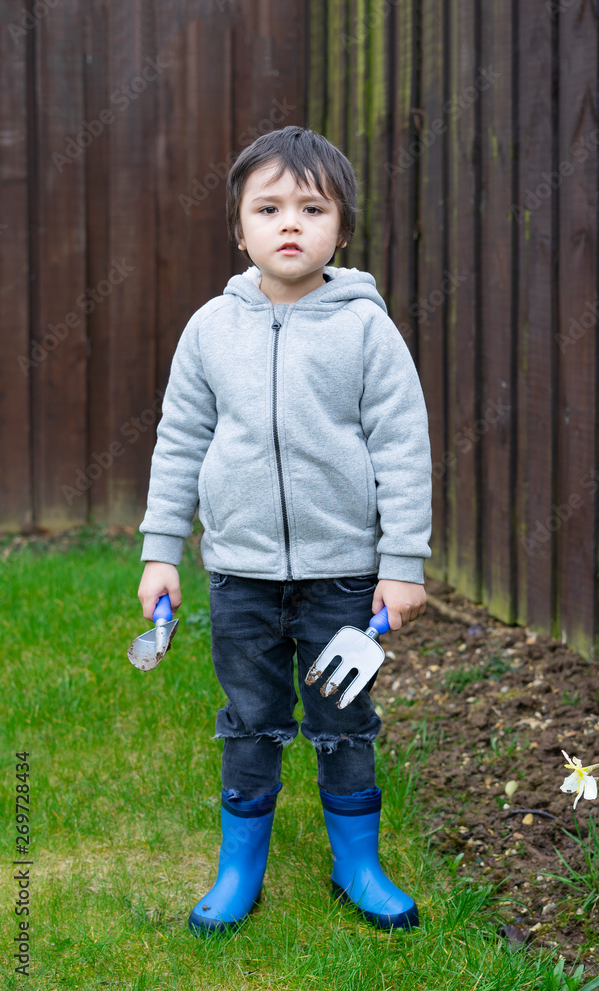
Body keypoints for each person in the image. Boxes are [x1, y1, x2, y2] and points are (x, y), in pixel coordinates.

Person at [136, 125, 431, 936]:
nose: (289, 223)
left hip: (341, 576)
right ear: (240, 229)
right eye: (268, 208)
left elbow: (403, 449)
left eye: (311, 207)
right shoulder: (210, 329)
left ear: (340, 228)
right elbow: (180, 440)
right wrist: (162, 551)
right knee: (250, 719)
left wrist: (400, 564)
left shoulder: (365, 329)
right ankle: (239, 871)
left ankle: (357, 864)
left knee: (343, 719)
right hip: (239, 576)